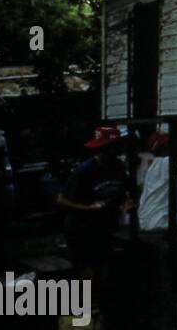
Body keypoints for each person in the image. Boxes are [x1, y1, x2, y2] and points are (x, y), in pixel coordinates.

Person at [56, 126, 134, 306]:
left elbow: (124, 191)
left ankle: (101, 309)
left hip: (104, 227)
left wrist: (127, 202)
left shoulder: (118, 167)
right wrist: (88, 207)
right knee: (87, 271)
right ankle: (86, 311)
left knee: (104, 269)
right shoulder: (84, 171)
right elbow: (61, 199)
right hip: (81, 228)